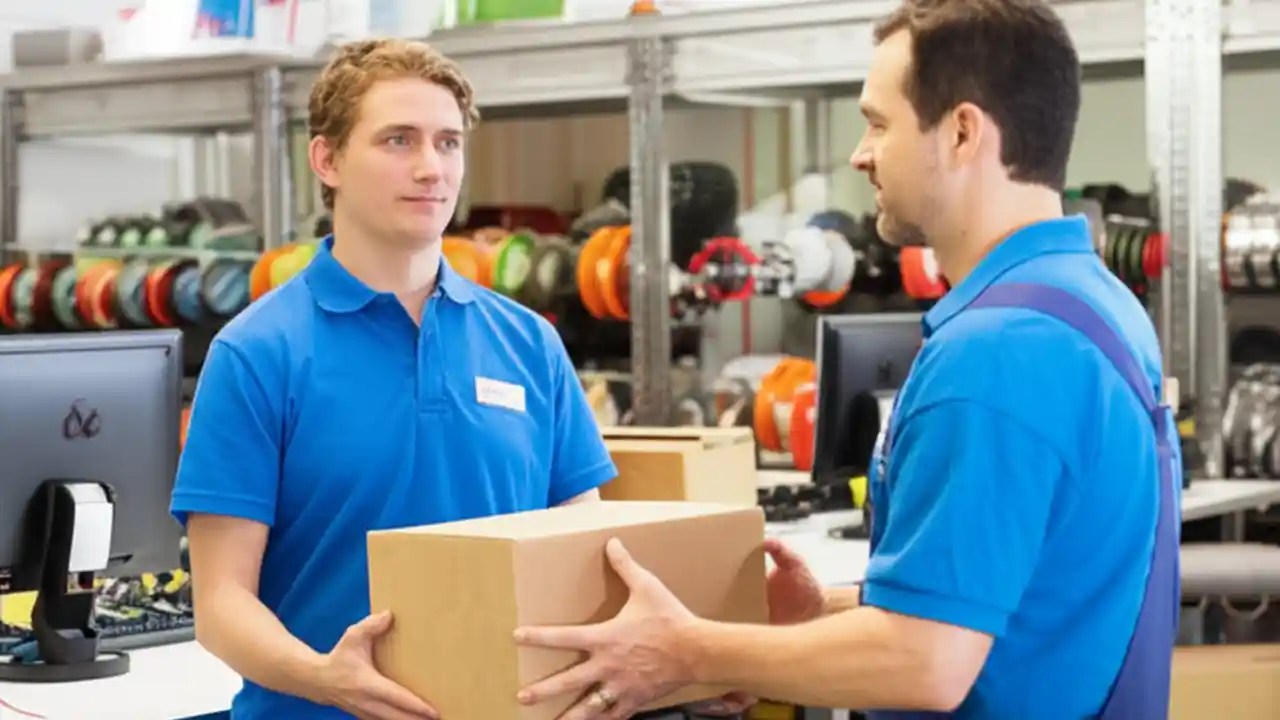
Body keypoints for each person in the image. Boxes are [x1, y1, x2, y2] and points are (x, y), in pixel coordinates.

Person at [511, 0, 1182, 718]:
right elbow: (1028, 590)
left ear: (961, 132)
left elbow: (924, 661)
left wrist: (684, 650)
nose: (861, 154)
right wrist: (834, 613)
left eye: (878, 123)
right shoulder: (1093, 303)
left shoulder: (994, 355)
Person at [170, 38, 620, 720]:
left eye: (448, 143)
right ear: (327, 160)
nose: (430, 168)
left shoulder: (530, 344)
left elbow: (581, 551)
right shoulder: (257, 354)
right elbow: (222, 604)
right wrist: (326, 678)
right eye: (398, 140)